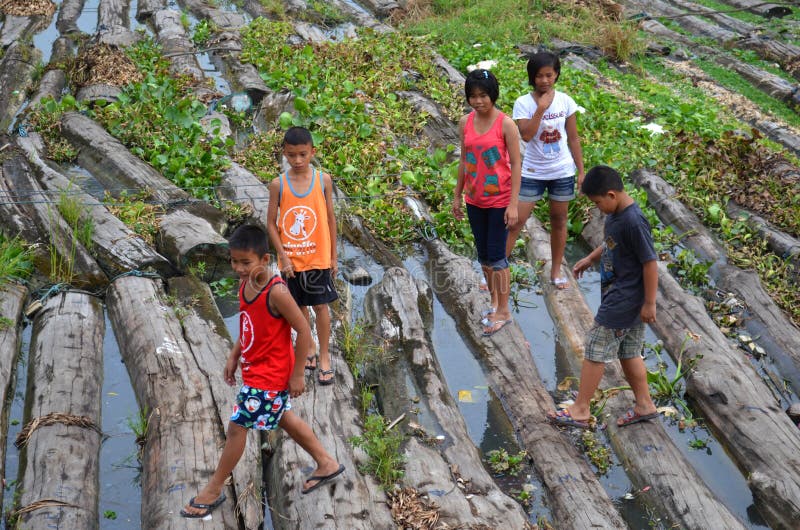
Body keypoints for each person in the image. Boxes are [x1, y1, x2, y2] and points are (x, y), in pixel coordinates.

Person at [181, 225, 343, 518]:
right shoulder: (246, 285)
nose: (238, 268)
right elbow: (248, 326)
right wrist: (234, 356)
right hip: (256, 371)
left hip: (271, 376)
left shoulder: (276, 291)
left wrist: (296, 375)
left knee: (236, 428)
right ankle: (325, 462)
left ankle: (214, 488)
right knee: (284, 418)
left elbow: (305, 331)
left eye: (246, 262)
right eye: (234, 261)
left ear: (265, 259)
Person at [547, 165, 659, 429]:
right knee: (629, 352)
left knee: (595, 349)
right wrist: (590, 258)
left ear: (611, 194)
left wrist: (650, 302)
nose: (598, 208)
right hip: (623, 296)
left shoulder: (633, 221)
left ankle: (580, 409)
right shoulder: (617, 216)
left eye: (598, 203)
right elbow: (611, 242)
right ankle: (645, 405)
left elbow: (650, 263)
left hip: (624, 298)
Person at [506, 51, 585, 289]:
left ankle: (556, 271)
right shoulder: (523, 103)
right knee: (516, 222)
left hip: (562, 171)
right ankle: (495, 269)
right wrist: (540, 109)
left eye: (549, 75)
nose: (544, 80)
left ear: (556, 75)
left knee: (559, 220)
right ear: (532, 77)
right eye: (539, 76)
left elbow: (573, 138)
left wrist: (581, 171)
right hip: (533, 171)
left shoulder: (566, 101)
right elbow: (527, 135)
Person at [452, 69, 522, 337]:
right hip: (475, 199)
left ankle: (504, 311)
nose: (478, 101)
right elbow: (464, 161)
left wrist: (513, 204)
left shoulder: (506, 124)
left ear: (493, 95)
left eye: (483, 96)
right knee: (483, 257)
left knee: (498, 258)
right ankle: (494, 303)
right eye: (473, 96)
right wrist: (457, 195)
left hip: (500, 200)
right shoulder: (465, 123)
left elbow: (516, 164)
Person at [267, 127, 339, 386]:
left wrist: (333, 257)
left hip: (318, 257)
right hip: (292, 261)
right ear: (284, 154)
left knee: (321, 306)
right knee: (299, 308)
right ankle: (308, 348)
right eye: (291, 155)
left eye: (302, 154)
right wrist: (283, 258)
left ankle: (324, 358)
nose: (297, 161)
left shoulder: (323, 180)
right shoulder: (279, 184)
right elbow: (271, 224)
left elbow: (330, 218)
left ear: (312, 152)